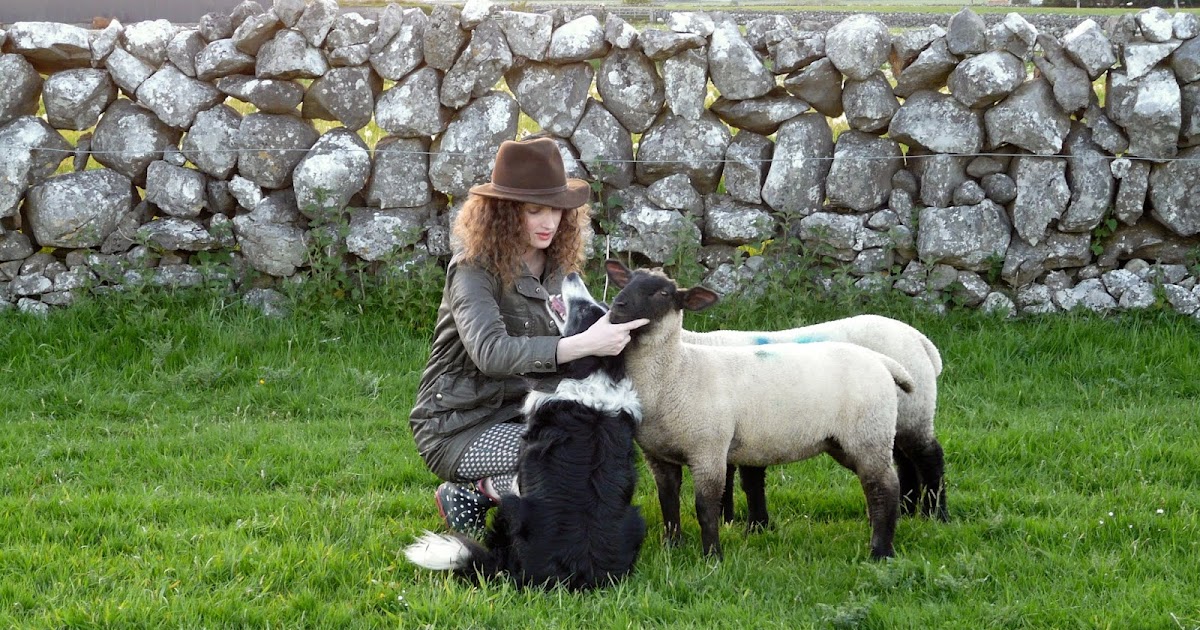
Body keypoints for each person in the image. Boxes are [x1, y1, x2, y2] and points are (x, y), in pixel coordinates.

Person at [408, 137, 649, 538]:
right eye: (533, 210)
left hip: (528, 410)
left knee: (599, 448)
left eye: (555, 209)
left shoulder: (556, 265)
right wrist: (586, 344)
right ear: (501, 213)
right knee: (556, 457)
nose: (548, 222)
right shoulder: (472, 270)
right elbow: (492, 354)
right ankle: (473, 494)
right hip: (458, 424)